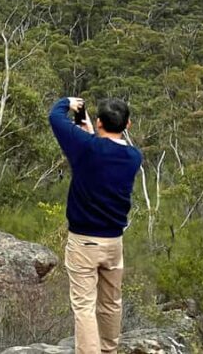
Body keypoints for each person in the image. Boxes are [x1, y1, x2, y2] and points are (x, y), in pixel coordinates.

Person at [49, 97, 142, 354]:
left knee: (84, 306)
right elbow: (106, 151)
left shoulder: (86, 148)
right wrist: (91, 134)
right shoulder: (133, 157)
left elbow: (55, 117)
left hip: (83, 242)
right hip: (113, 243)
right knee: (112, 302)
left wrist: (67, 102)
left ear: (99, 122)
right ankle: (109, 349)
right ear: (128, 125)